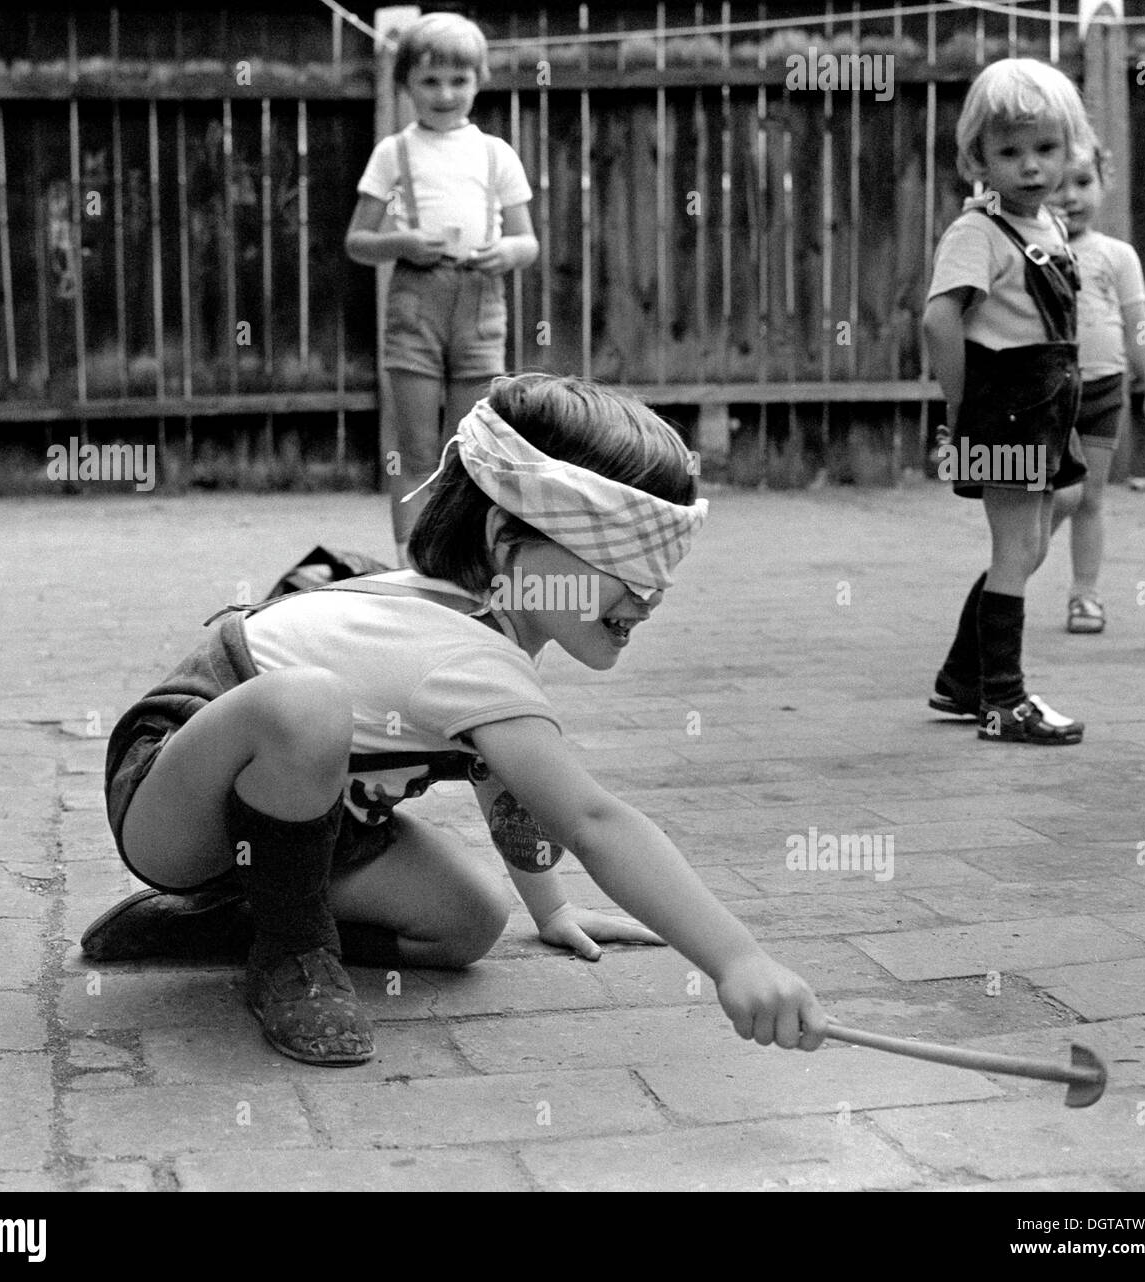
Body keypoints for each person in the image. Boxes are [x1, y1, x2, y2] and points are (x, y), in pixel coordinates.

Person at [84, 373, 828, 1067]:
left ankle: (222, 921)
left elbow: (505, 783)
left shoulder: (488, 636)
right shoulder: (464, 652)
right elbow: (595, 821)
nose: (650, 597)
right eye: (625, 570)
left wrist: (553, 906)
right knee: (304, 703)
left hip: (312, 825)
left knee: (470, 919)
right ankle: (291, 954)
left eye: (661, 577)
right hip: (170, 801)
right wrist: (740, 959)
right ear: (508, 540)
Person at [923, 58, 1097, 745]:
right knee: (1016, 545)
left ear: (1070, 146)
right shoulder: (979, 232)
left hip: (1049, 402)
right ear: (978, 158)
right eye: (1010, 152)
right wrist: (962, 409)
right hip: (1008, 405)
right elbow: (940, 319)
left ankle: (964, 678)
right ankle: (1003, 701)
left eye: (1046, 150)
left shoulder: (1045, 223)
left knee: (1065, 507)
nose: (1031, 167)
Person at [345, 13, 538, 568]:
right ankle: (409, 563)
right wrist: (402, 241)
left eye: (459, 80)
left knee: (468, 444)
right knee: (414, 446)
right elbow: (358, 241)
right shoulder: (392, 153)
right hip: (415, 301)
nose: (445, 93)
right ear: (406, 86)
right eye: (429, 81)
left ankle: (457, 560)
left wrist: (508, 253)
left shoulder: (495, 154)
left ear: (479, 81)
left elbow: (528, 243)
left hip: (480, 303)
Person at [1048, 149, 1145, 633]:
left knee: (1090, 497)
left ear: (1104, 183)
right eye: (1060, 184)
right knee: (1058, 495)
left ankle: (1085, 594)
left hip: (1103, 390)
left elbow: (1139, 325)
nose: (1071, 196)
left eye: (1083, 182)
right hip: (1049, 393)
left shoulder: (1116, 255)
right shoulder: (1029, 246)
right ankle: (1013, 570)